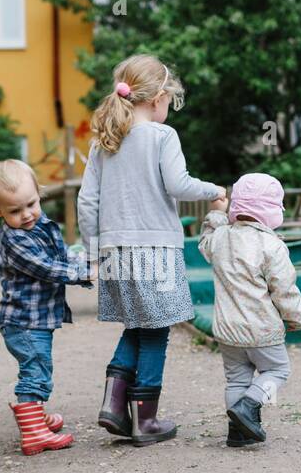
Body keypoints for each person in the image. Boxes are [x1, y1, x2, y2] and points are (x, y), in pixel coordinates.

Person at [76, 54, 225, 446]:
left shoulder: (104, 141)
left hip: (114, 252)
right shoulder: (162, 137)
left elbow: (86, 202)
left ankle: (113, 404)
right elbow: (178, 184)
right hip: (154, 250)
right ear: (158, 97)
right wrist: (216, 191)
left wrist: (92, 253)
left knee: (137, 324)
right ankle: (146, 419)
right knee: (156, 331)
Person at [0, 158, 93, 456]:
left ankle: (34, 416)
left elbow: (61, 256)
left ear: (39, 193)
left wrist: (86, 262)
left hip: (36, 320)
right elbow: (47, 268)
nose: (26, 214)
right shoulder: (15, 240)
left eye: (31, 204)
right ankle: (33, 431)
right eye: (14, 211)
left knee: (38, 368)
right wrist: (85, 273)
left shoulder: (41, 224)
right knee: (36, 372)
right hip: (24, 323)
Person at [198, 174, 301, 447]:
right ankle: (250, 405)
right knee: (278, 371)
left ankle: (237, 432)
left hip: (227, 331)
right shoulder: (272, 246)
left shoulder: (221, 238)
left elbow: (205, 240)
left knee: (236, 379)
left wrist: (216, 214)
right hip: (262, 330)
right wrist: (297, 318)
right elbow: (284, 289)